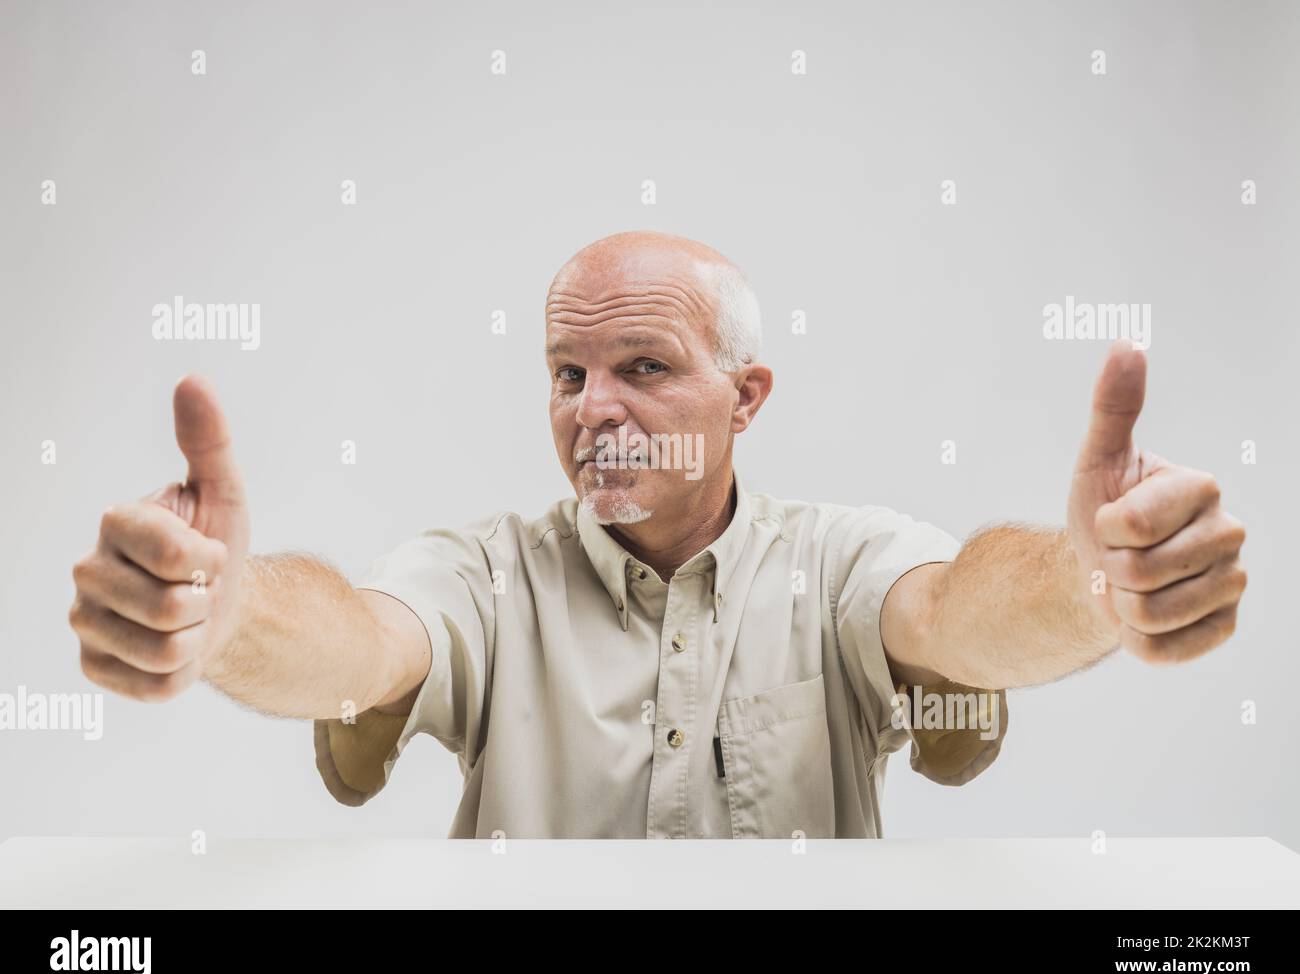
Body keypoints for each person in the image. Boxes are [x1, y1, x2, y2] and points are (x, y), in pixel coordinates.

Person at [67, 231, 1248, 838]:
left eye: (642, 367)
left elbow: (954, 613)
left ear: (746, 396)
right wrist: (221, 620)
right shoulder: (488, 576)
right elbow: (364, 641)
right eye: (567, 372)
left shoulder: (832, 562)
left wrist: (1092, 579)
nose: (592, 410)